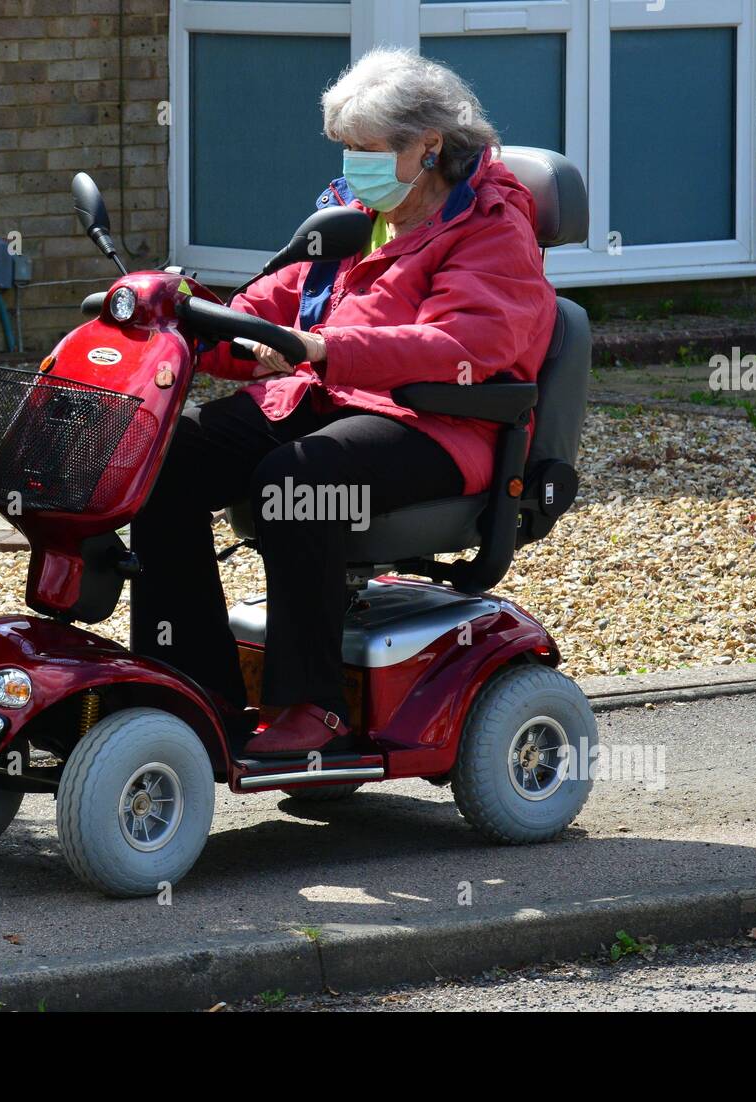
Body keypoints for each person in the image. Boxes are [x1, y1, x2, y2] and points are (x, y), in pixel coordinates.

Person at [130, 46, 558, 758]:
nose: (353, 165)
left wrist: (324, 348)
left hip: (439, 421)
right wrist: (192, 326)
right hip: (326, 396)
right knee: (162, 455)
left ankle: (312, 708)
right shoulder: (352, 214)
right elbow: (269, 304)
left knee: (296, 480)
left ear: (428, 146)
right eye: (345, 148)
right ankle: (192, 684)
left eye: (367, 149)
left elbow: (460, 344)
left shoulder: (492, 226)